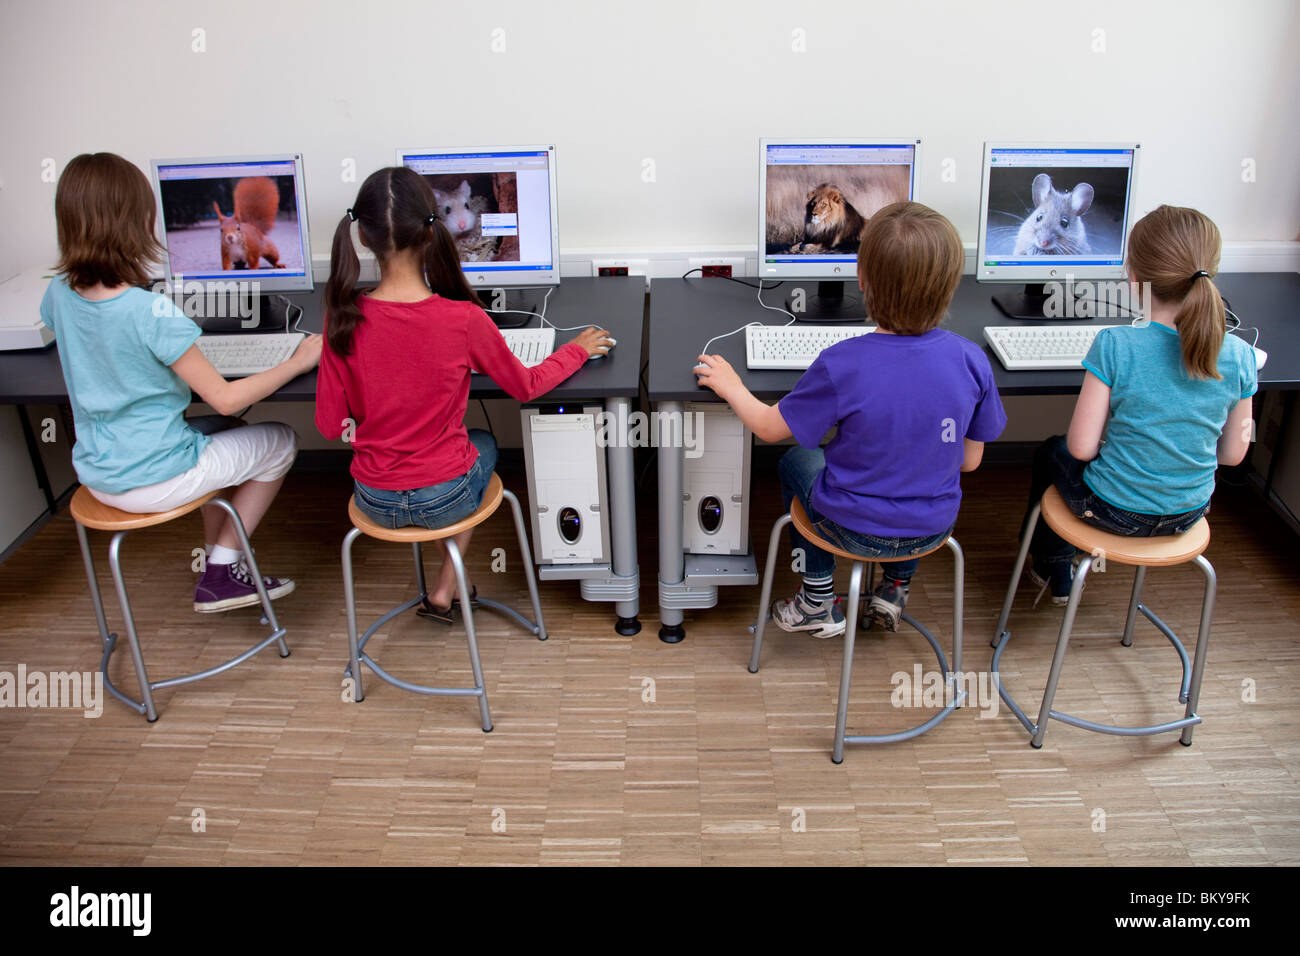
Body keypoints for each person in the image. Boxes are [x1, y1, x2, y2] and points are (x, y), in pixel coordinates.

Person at [695, 201, 1007, 637]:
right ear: (951, 284)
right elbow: (969, 462)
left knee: (795, 462)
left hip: (852, 531)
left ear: (862, 279)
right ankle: (894, 589)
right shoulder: (972, 360)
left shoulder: (843, 364)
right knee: (922, 468)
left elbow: (768, 428)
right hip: (933, 529)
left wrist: (731, 386)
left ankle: (817, 601)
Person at [315, 166, 612, 621]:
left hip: (373, 498)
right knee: (485, 444)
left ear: (365, 238)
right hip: (443, 499)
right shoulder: (464, 320)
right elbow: (526, 386)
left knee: (446, 459)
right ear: (432, 233)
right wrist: (573, 351)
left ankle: (447, 584)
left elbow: (328, 425)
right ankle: (446, 584)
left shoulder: (342, 317)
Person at [42, 152, 321, 612]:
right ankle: (221, 574)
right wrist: (297, 360)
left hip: (98, 473)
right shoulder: (149, 311)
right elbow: (228, 398)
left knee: (228, 433)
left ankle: (220, 561)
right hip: (154, 476)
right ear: (135, 222)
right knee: (281, 441)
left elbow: (92, 337)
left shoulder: (56, 293)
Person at [1022, 204, 1256, 605]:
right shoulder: (1240, 354)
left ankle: (1052, 565)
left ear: (1133, 277)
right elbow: (1234, 455)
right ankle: (1055, 568)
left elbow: (1081, 449)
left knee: (1052, 451)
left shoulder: (1116, 344)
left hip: (1114, 513)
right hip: (1187, 514)